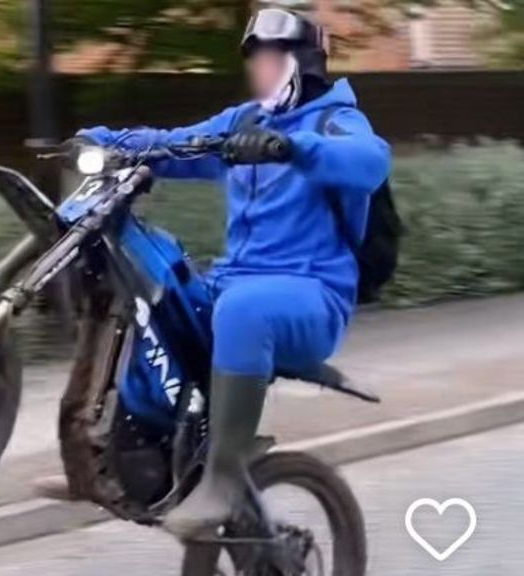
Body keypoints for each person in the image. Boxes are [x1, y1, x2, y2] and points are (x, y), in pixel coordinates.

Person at [75, 8, 392, 539]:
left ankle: (224, 477)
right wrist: (102, 142)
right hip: (235, 283)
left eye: (273, 60)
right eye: (256, 61)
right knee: (156, 297)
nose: (261, 71)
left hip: (311, 296)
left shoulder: (335, 119)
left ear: (303, 63)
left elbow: (369, 160)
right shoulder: (244, 123)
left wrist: (293, 148)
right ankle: (121, 462)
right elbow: (171, 143)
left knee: (244, 311)